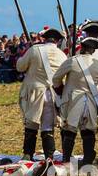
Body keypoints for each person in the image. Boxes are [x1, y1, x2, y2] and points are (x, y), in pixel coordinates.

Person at [51, 35, 98, 167]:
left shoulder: (72, 61)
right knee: (89, 131)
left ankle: (66, 160)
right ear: (93, 51)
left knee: (69, 130)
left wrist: (61, 91)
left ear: (82, 48)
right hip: (91, 101)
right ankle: (87, 160)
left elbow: (56, 79)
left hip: (73, 99)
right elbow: (97, 84)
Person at [15, 26, 66, 160]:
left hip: (34, 93)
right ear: (57, 41)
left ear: (45, 38)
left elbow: (20, 66)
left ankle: (27, 155)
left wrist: (27, 53)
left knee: (31, 124)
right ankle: (49, 156)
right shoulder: (62, 55)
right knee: (47, 127)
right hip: (52, 93)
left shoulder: (34, 50)